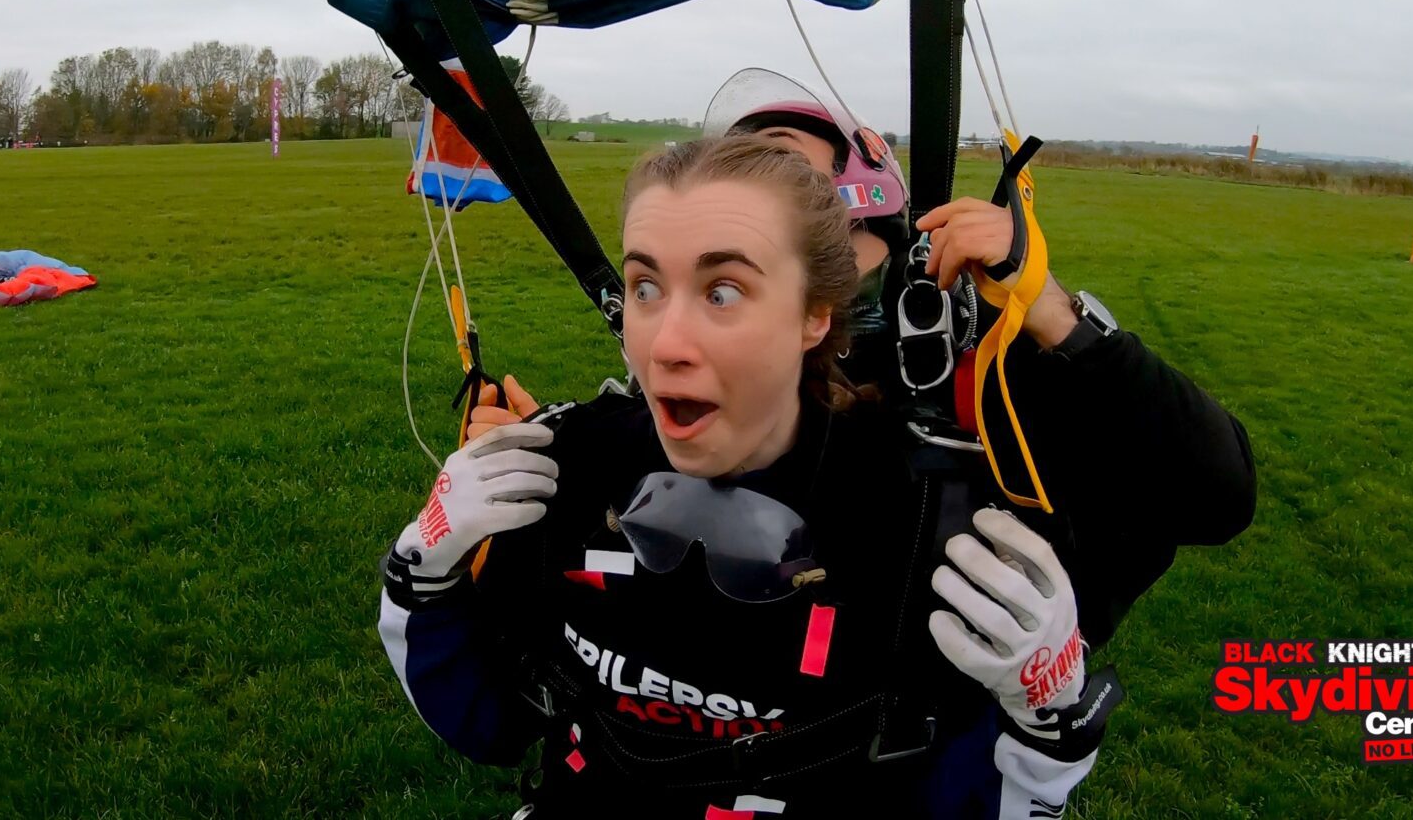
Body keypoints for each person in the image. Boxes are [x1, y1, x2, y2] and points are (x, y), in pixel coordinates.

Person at [380, 137, 1125, 817]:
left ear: (813, 316)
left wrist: (1047, 727)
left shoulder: (925, 517)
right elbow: (492, 725)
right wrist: (423, 580)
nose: (665, 343)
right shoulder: (574, 468)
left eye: (722, 292)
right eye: (645, 287)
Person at [471, 70, 1255, 646]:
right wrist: (558, 454)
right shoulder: (708, 365)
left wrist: (1047, 308)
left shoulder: (971, 373)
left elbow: (1215, 495)